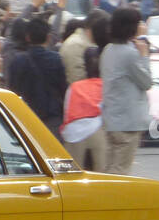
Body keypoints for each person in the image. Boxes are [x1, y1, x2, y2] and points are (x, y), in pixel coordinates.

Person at [99, 9, 151, 175]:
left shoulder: (108, 50)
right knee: (120, 170)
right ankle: (114, 201)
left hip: (111, 118)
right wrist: (144, 55)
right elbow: (146, 82)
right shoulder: (130, 54)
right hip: (128, 122)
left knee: (109, 166)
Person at [7, 18, 68, 136]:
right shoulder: (56, 59)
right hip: (52, 117)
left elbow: (12, 91)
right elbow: (63, 89)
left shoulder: (18, 61)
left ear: (28, 37)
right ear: (49, 37)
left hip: (26, 117)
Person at [61, 57, 106, 171]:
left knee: (73, 173)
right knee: (102, 173)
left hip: (74, 132)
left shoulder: (74, 86)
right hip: (98, 130)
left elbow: (66, 111)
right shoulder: (106, 86)